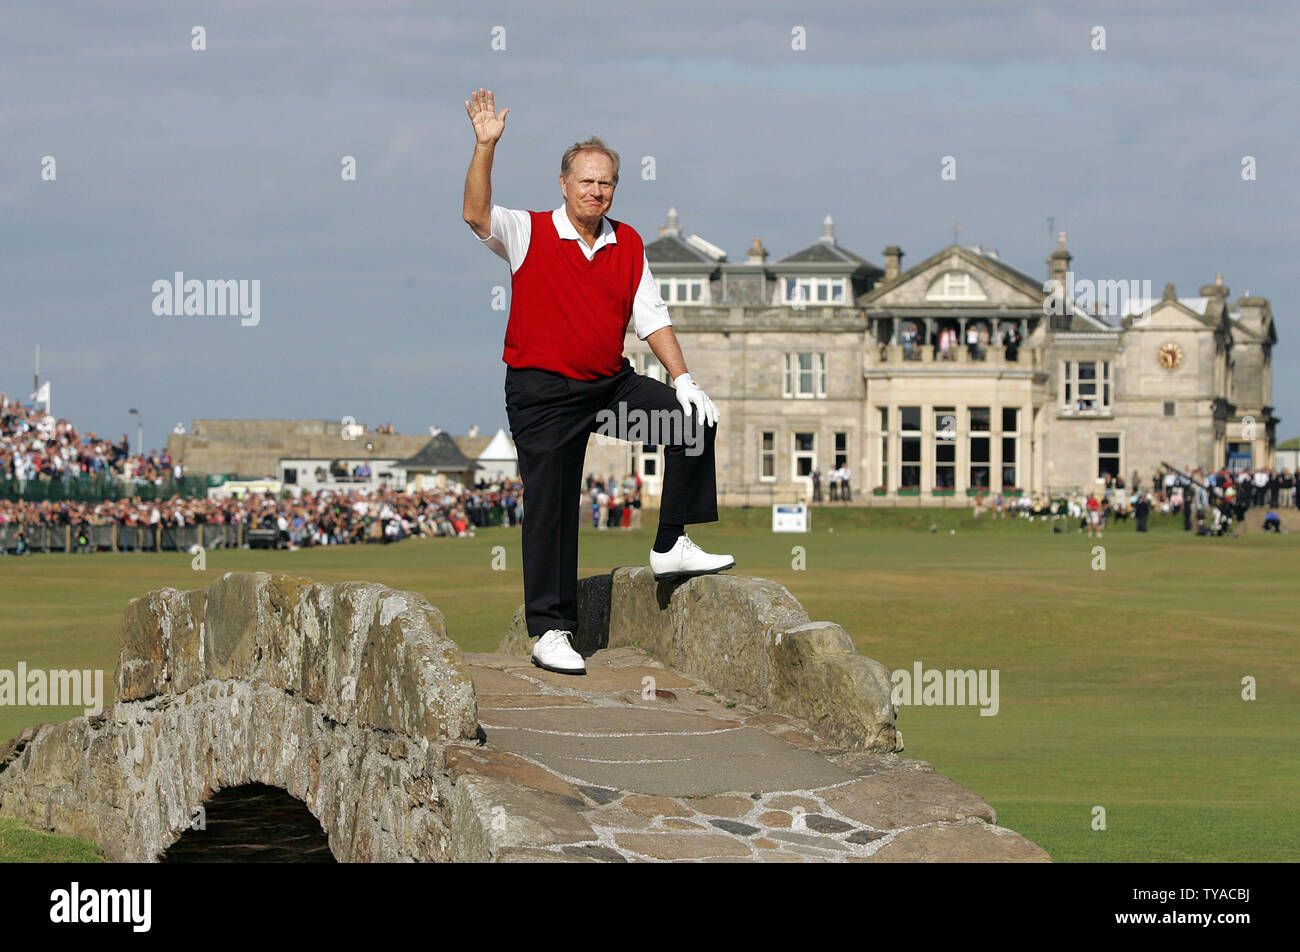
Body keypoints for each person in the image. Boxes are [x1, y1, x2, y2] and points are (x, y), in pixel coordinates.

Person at [463, 88, 734, 675]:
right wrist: (485, 147)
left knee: (690, 421)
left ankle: (669, 546)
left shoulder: (628, 241)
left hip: (607, 388)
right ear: (564, 184)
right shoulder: (529, 230)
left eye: (606, 182)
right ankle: (551, 629)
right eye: (586, 181)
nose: (596, 191)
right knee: (553, 505)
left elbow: (651, 316)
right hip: (542, 393)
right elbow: (476, 215)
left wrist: (683, 378)